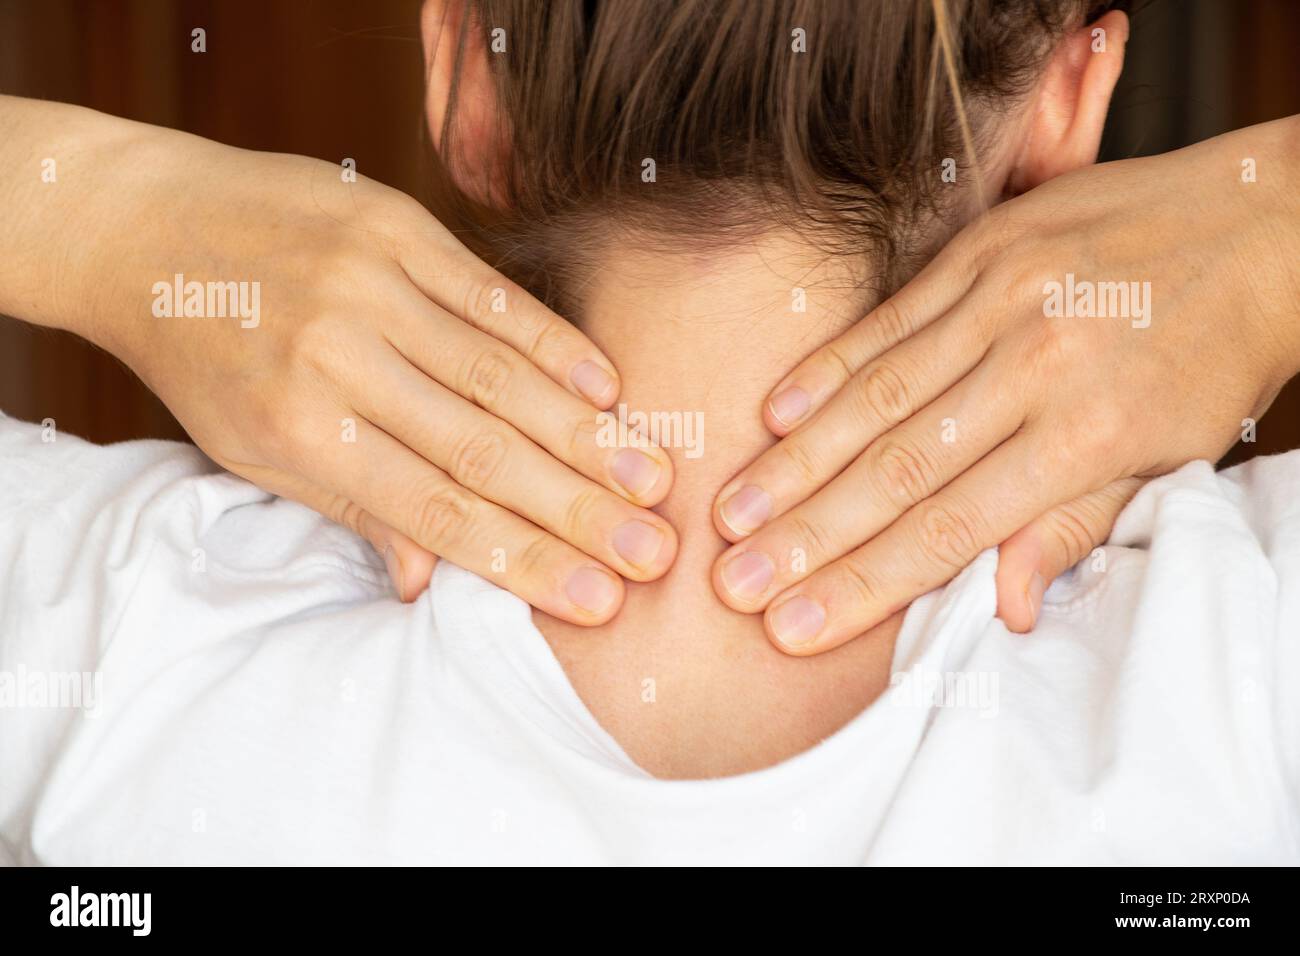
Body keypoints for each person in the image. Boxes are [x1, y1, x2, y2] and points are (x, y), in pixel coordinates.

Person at [0, 0, 1296, 863]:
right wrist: (1268, 227)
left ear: (459, 70)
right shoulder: (1248, 653)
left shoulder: (95, 617)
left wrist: (101, 209)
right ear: (1074, 98)